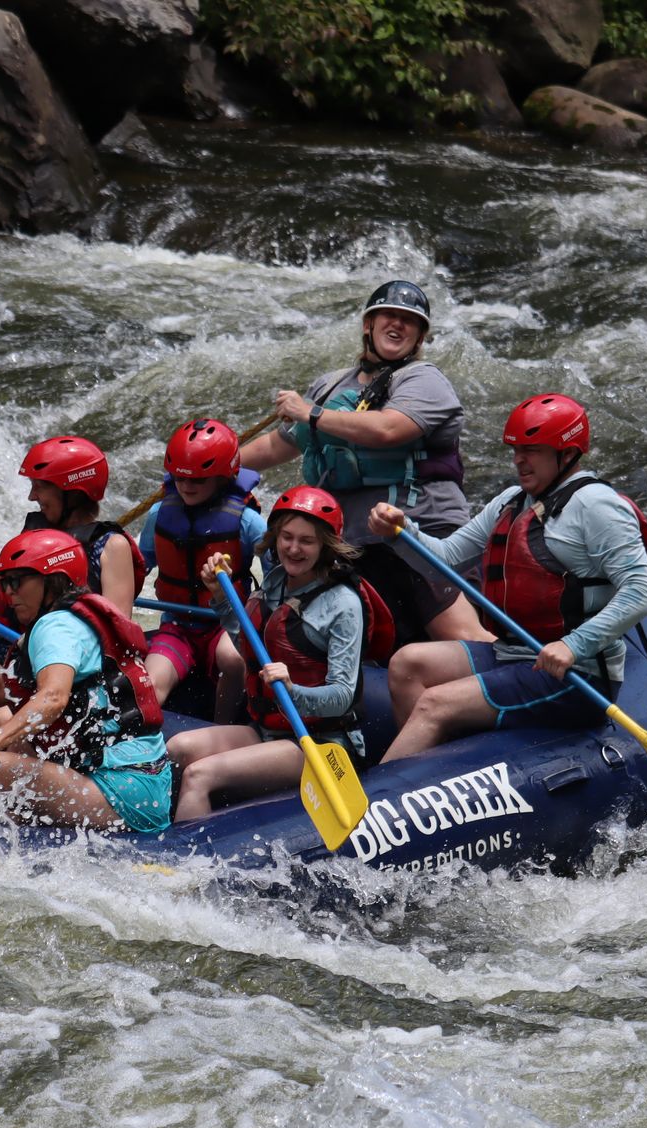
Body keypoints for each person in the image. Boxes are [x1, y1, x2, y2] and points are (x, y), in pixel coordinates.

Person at [366, 393, 647, 763]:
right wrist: (401, 531)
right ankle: (435, 772)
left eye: (532, 450)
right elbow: (445, 559)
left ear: (566, 454)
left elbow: (642, 591)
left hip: (576, 675)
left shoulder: (598, 506)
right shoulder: (512, 500)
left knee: (434, 703)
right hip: (514, 653)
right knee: (408, 664)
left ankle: (384, 796)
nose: (519, 460)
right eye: (517, 449)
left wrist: (573, 645)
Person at [239, 279, 491, 647]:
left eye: (409, 320)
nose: (398, 324)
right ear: (367, 325)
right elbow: (279, 445)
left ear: (420, 336)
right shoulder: (330, 386)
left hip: (421, 534)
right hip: (355, 543)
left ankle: (516, 685)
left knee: (455, 634)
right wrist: (214, 464)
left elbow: (388, 429)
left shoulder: (424, 380)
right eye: (388, 314)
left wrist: (310, 413)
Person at [0, 528, 172, 834]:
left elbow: (53, 698)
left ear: (53, 580)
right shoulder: (58, 623)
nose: (8, 593)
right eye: (4, 583)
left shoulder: (57, 627)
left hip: (124, 790)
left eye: (17, 581)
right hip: (117, 776)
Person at [168, 487, 388, 821]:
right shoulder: (277, 581)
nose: (293, 548)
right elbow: (249, 643)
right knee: (177, 750)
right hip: (267, 729)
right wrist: (219, 596)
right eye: (286, 537)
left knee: (200, 776)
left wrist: (294, 691)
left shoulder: (343, 604)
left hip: (318, 742)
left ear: (325, 546)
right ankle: (150, 836)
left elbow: (343, 695)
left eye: (307, 541)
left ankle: (182, 869)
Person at [0, 435, 145, 665]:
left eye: (40, 487)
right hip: (8, 652)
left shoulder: (112, 546)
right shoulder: (37, 536)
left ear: (73, 492)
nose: (31, 496)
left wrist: (45, 645)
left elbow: (118, 631)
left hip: (66, 660)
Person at [137, 418, 266, 722]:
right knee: (151, 686)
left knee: (231, 659)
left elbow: (276, 581)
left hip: (224, 626)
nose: (186, 486)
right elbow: (140, 566)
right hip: (177, 625)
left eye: (197, 480)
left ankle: (222, 726)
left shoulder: (248, 522)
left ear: (223, 477)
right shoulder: (159, 514)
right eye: (180, 479)